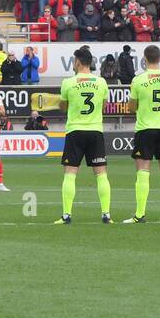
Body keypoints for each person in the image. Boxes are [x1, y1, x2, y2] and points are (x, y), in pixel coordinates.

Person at [54, 46, 111, 225]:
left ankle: (67, 215)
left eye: (73, 60)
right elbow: (103, 106)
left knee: (70, 174)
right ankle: (106, 214)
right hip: (95, 130)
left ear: (78, 62)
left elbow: (62, 107)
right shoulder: (101, 82)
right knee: (101, 174)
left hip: (75, 131)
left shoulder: (68, 82)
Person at [123, 44, 160, 224]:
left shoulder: (138, 80)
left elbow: (131, 107)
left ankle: (140, 214)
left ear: (145, 59)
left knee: (142, 171)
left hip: (145, 129)